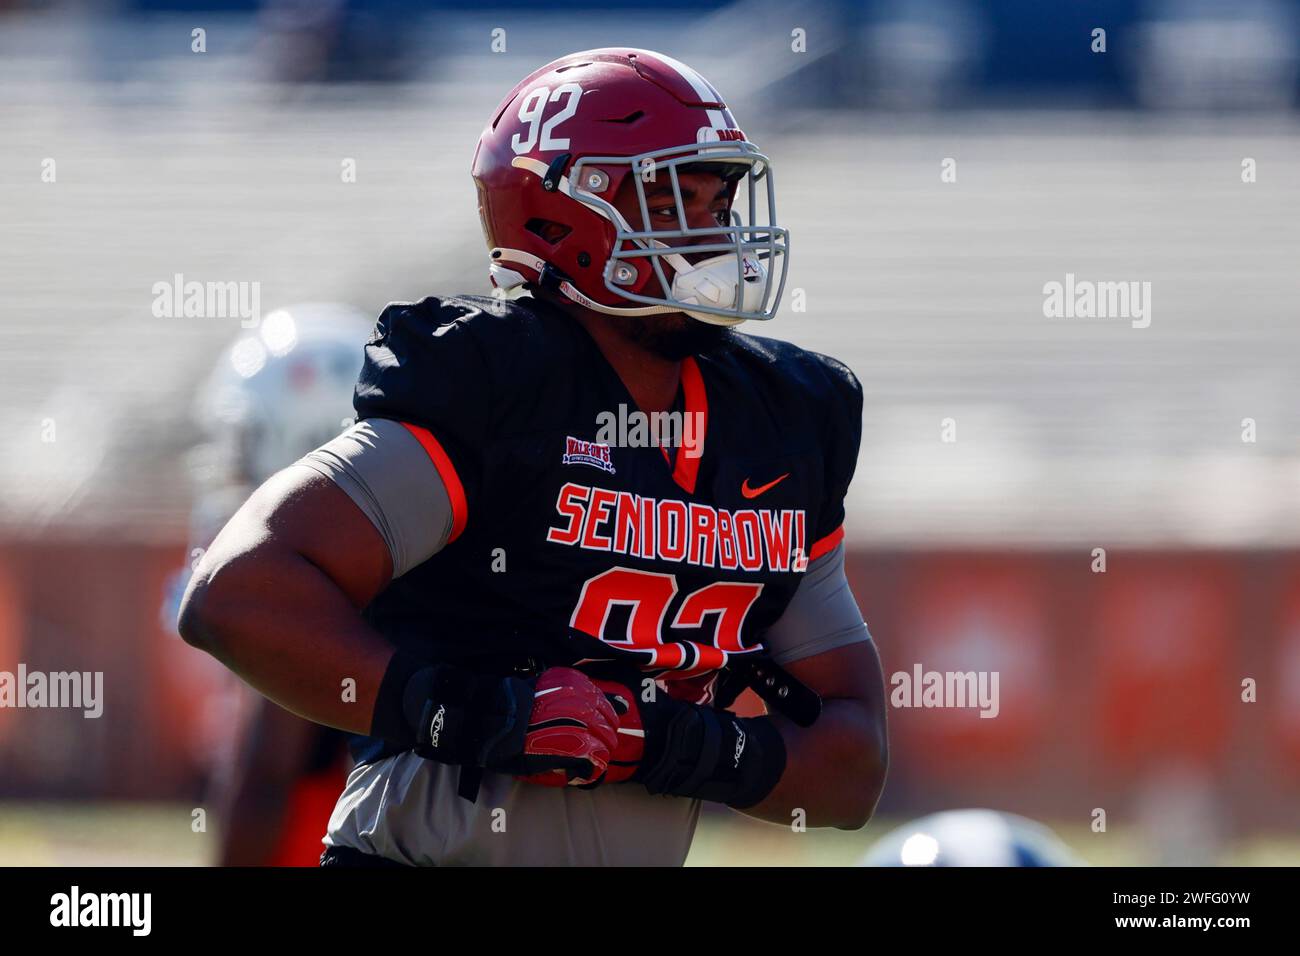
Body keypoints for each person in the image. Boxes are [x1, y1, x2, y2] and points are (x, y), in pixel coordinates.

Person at [179, 48, 888, 866]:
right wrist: (484, 715)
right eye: (671, 198)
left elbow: (853, 767)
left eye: (717, 200)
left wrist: (669, 745)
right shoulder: (494, 386)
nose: (712, 234)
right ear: (560, 214)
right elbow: (236, 593)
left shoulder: (781, 418)